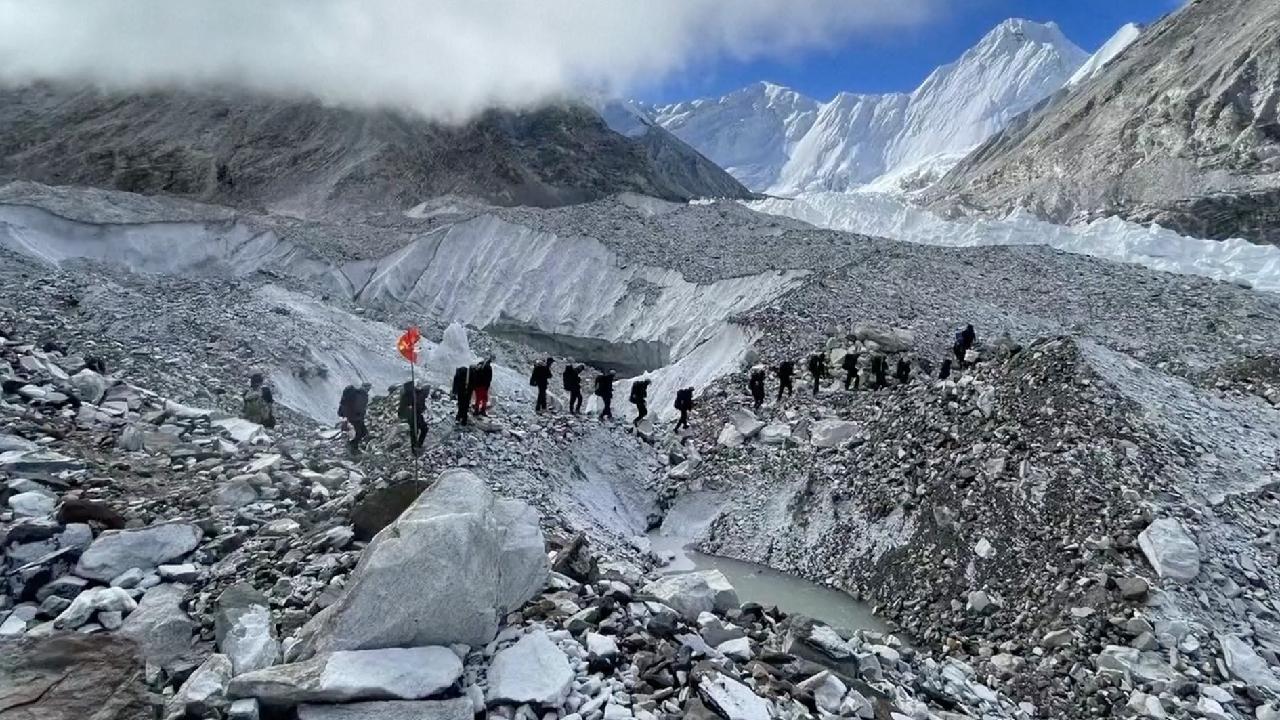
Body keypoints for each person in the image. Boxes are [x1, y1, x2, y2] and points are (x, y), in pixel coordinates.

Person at [338, 382, 371, 456]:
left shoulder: (361, 394)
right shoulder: (361, 395)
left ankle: (353, 447)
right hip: (355, 418)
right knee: (359, 433)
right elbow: (358, 408)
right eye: (368, 387)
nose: (368, 389)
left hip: (356, 418)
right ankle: (352, 449)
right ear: (365, 387)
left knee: (363, 432)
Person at [398, 380, 429, 453]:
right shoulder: (408, 396)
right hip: (412, 415)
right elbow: (404, 408)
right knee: (417, 430)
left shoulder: (416, 394)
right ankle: (416, 447)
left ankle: (416, 446)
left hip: (415, 414)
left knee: (418, 430)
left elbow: (420, 406)